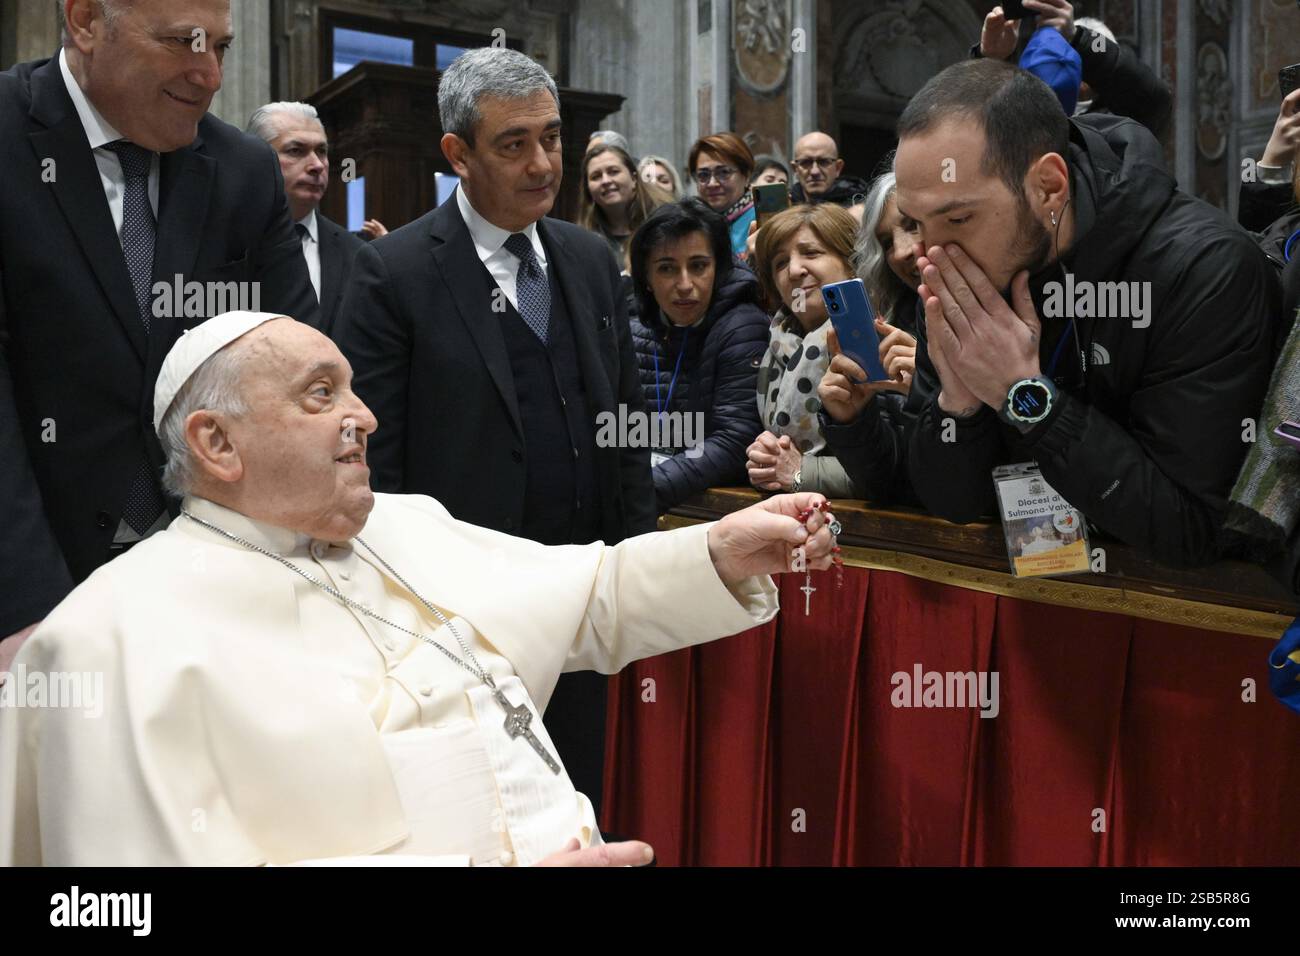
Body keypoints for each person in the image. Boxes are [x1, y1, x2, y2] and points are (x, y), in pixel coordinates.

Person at [0, 311, 839, 866]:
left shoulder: (408, 524)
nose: (362, 415)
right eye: (320, 395)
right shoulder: (110, 637)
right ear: (217, 443)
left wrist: (721, 552)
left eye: (355, 389)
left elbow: (591, 590)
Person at [334, 47, 656, 816]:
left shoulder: (585, 259)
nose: (544, 163)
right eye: (514, 144)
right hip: (459, 611)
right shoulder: (394, 272)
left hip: (584, 594)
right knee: (479, 809)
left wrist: (638, 559)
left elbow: (624, 419)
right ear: (458, 154)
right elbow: (373, 461)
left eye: (551, 138)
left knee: (578, 799)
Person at [0, 0, 318, 673]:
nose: (208, 76)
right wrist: (23, 604)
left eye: (222, 49)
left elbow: (295, 366)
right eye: (183, 43)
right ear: (86, 21)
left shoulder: (243, 171)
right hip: (37, 583)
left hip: (218, 588)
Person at [897, 58, 1279, 569]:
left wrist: (1026, 398)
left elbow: (1192, 530)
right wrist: (960, 406)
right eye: (915, 222)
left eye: (959, 217)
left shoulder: (1204, 267)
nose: (931, 253)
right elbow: (951, 503)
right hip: (1030, 611)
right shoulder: (961, 279)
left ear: (1049, 187)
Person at [628, 200, 769, 512]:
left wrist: (641, 491)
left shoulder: (742, 326)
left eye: (698, 266)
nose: (684, 285)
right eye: (666, 268)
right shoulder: (634, 327)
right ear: (647, 278)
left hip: (712, 511)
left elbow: (735, 441)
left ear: (718, 268)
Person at [748, 203, 891, 498]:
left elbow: (894, 470)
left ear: (851, 261)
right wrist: (764, 458)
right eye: (780, 263)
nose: (795, 270)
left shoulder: (880, 333)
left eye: (811, 253)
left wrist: (802, 472)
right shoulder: (776, 344)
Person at [817, 171, 922, 504]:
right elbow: (888, 482)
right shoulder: (894, 331)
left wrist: (935, 389)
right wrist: (854, 420)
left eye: (913, 225)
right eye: (887, 242)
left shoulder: (1019, 308)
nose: (902, 252)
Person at [246, 102, 369, 334]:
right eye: (296, 151)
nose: (317, 165)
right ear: (255, 158)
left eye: (321, 151)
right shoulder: (219, 237)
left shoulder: (357, 253)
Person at [976, 3, 1171, 136]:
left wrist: (1079, 38)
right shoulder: (1023, 111)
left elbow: (1154, 98)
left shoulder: (1128, 124)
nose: (1064, 60)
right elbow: (976, 125)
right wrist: (991, 60)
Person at [578, 142, 671, 269]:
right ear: (588, 189)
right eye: (596, 176)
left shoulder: (665, 221)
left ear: (634, 179)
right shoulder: (581, 238)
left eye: (613, 172)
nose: (605, 181)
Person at [688, 132, 756, 257]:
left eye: (724, 172)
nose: (712, 183)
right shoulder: (692, 221)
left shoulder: (762, 219)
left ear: (746, 175)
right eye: (703, 175)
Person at [787, 132, 869, 208]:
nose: (814, 172)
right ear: (795, 169)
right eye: (805, 162)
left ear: (838, 168)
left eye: (823, 162)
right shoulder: (784, 208)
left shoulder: (862, 209)